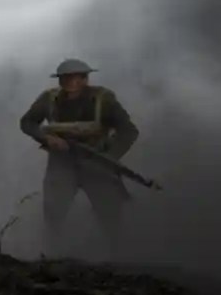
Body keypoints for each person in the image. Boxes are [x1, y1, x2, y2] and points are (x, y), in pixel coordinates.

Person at [19, 58, 140, 254]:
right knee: (53, 214)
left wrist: (110, 157)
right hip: (62, 164)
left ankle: (120, 257)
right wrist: (47, 138)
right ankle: (51, 255)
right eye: (65, 79)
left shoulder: (103, 100)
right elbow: (27, 123)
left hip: (97, 165)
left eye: (76, 79)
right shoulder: (49, 100)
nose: (71, 83)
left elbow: (129, 131)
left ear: (85, 79)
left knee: (110, 216)